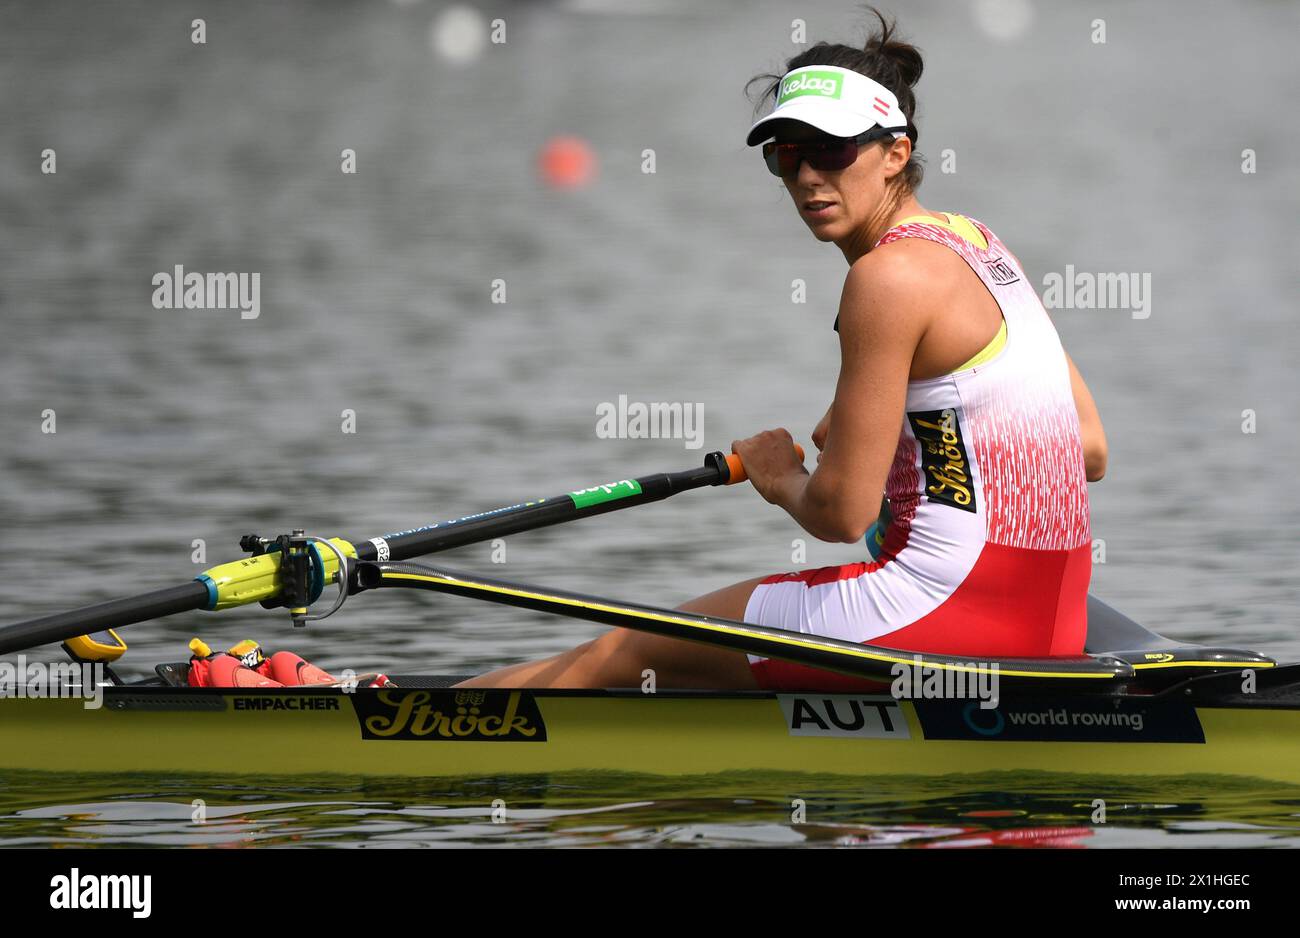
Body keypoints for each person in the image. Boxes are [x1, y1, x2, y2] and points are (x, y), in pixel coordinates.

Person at [458, 12, 1106, 691]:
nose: (805, 179)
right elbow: (1087, 446)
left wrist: (777, 477)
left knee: (622, 652)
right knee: (650, 657)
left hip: (942, 614)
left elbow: (838, 515)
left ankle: (410, 727)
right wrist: (913, 440)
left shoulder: (886, 278)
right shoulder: (976, 240)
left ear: (895, 152)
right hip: (1048, 623)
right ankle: (433, 701)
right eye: (785, 155)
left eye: (830, 152)